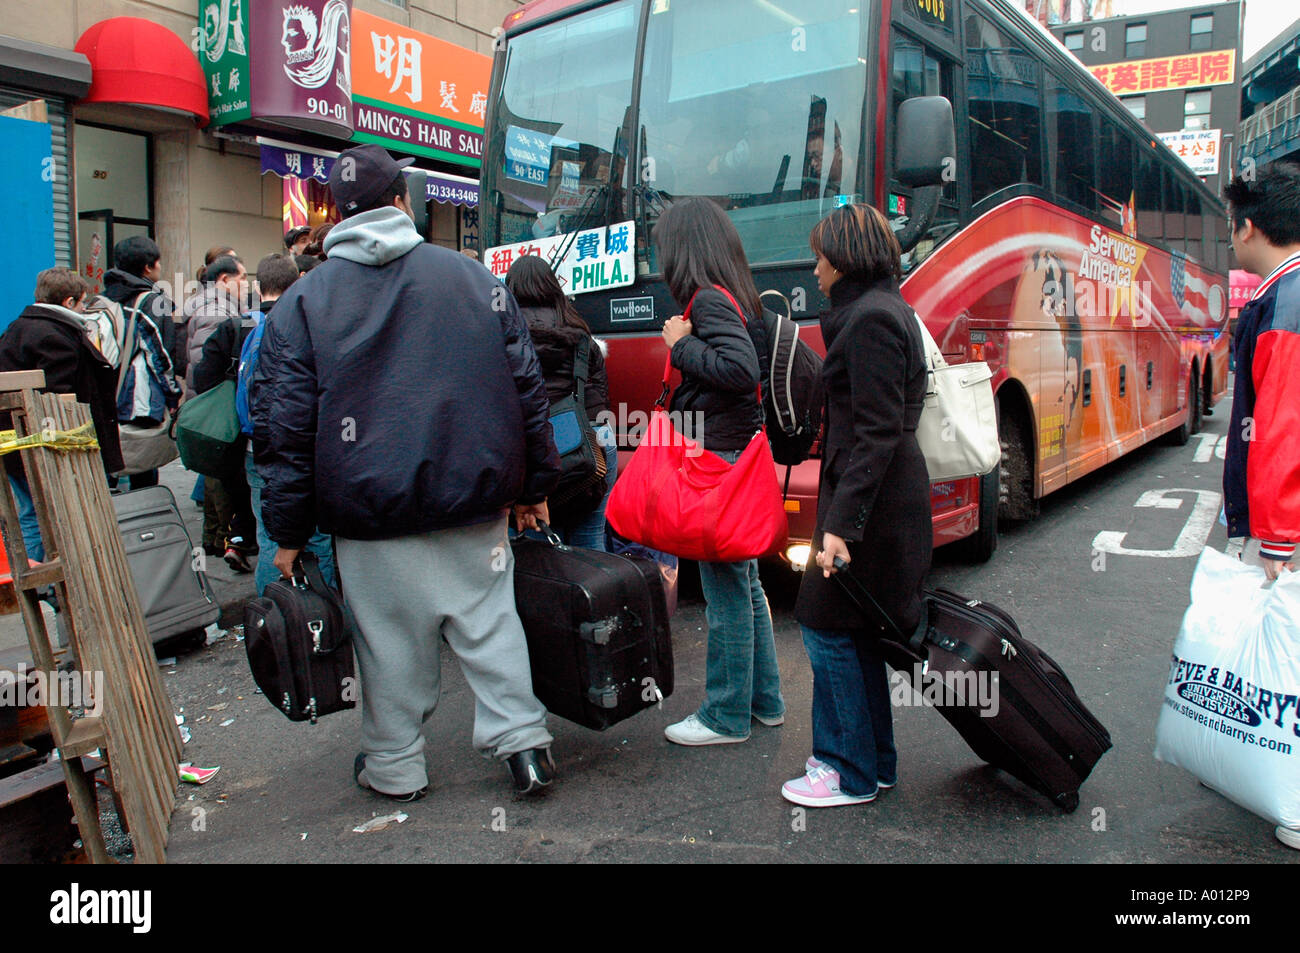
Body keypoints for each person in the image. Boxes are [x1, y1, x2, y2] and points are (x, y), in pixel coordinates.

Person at [255, 143, 562, 800]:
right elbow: (526, 392)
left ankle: (396, 767)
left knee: (388, 645)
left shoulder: (303, 305)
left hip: (368, 515)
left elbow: (284, 433)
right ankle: (525, 746)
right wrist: (535, 488)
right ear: (402, 202)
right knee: (490, 624)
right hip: (472, 501)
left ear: (335, 213)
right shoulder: (476, 281)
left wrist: (286, 531)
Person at [783, 203, 931, 807]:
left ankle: (845, 769)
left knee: (823, 627)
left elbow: (875, 431)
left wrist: (841, 526)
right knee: (858, 631)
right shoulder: (887, 309)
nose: (814, 267)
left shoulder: (869, 319)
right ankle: (876, 762)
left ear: (843, 259)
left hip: (868, 509)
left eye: (821, 255)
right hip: (884, 502)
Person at [652, 196, 785, 746]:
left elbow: (737, 369)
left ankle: (725, 716)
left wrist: (680, 347)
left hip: (717, 460)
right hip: (736, 452)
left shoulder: (707, 301)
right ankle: (765, 701)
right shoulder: (735, 295)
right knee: (745, 583)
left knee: (726, 591)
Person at [1221, 161, 1300, 850]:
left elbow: (1282, 429)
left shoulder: (1286, 301)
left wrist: (1276, 539)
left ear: (1249, 225)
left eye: (1231, 224)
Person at [195, 253, 336, 595]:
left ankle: (275, 620)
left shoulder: (237, 326)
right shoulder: (309, 323)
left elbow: (202, 380)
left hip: (253, 446)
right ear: (297, 283)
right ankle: (326, 618)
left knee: (269, 532)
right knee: (316, 535)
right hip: (306, 445)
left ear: (259, 287)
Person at [0, 269, 124, 560]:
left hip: (17, 443)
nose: (84, 309)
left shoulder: (18, 327)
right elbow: (59, 401)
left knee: (32, 513)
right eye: (82, 303)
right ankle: (48, 588)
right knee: (49, 517)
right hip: (45, 446)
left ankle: (40, 589)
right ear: (69, 302)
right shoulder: (56, 334)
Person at [505, 255, 615, 550]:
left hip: (537, 450)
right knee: (590, 543)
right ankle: (596, 595)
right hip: (595, 447)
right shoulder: (580, 333)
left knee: (540, 548)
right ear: (554, 287)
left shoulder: (503, 335)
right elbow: (601, 399)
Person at [186, 256, 254, 566]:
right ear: (224, 280)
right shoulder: (220, 313)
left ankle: (221, 540)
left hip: (212, 411)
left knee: (219, 480)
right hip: (221, 414)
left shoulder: (204, 306)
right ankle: (228, 540)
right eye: (241, 278)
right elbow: (206, 367)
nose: (246, 285)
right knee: (226, 481)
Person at [101, 236, 182, 488]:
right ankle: (142, 523)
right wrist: (173, 396)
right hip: (139, 397)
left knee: (111, 462)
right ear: (148, 267)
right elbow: (161, 357)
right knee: (143, 468)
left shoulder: (103, 299)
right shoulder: (152, 302)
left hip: (105, 393)